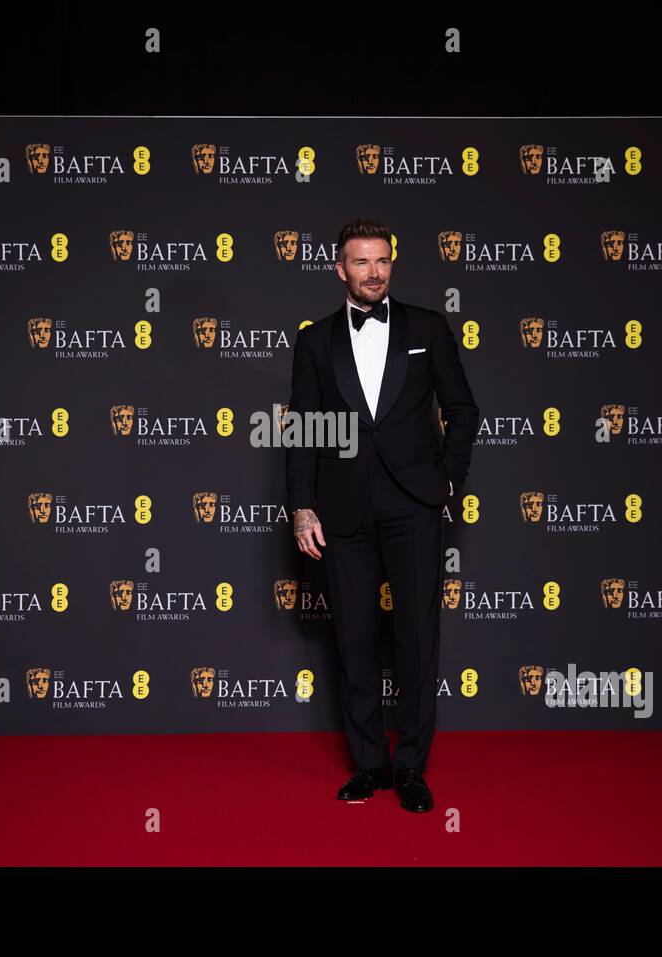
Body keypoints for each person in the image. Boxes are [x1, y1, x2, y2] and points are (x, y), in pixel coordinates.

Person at [286, 217, 480, 812]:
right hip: (343, 510)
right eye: (362, 262)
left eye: (383, 261)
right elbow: (301, 432)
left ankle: (413, 767)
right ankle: (370, 764)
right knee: (355, 638)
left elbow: (463, 409)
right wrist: (302, 508)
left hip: (414, 504)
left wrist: (446, 478)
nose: (375, 272)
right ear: (339, 268)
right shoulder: (316, 341)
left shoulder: (427, 326)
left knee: (418, 638)